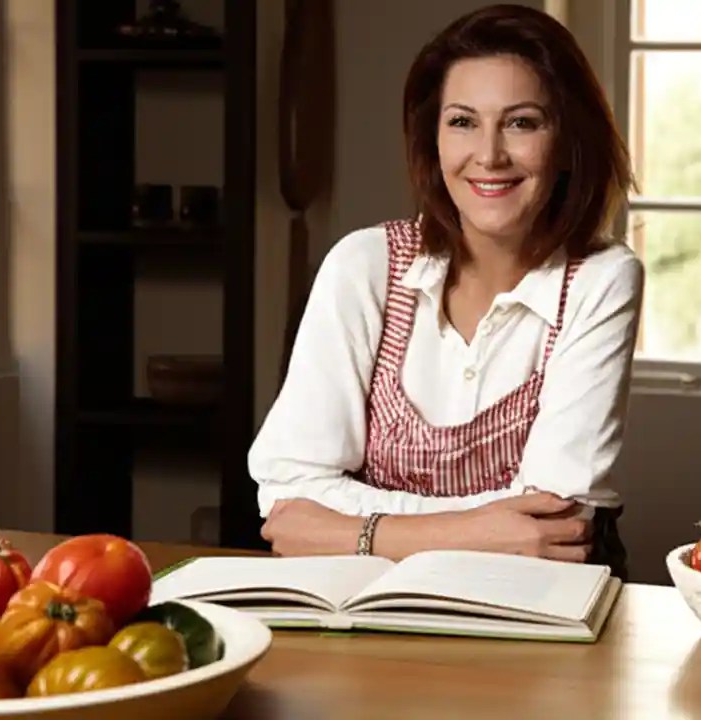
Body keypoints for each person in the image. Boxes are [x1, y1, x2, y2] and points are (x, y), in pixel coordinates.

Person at [248, 3, 642, 578]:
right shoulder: (365, 266)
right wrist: (482, 530)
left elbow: (554, 521)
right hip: (363, 606)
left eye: (522, 122)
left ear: (567, 142)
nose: (489, 155)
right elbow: (286, 513)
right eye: (462, 122)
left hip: (538, 612)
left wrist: (352, 529)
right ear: (432, 139)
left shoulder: (601, 279)